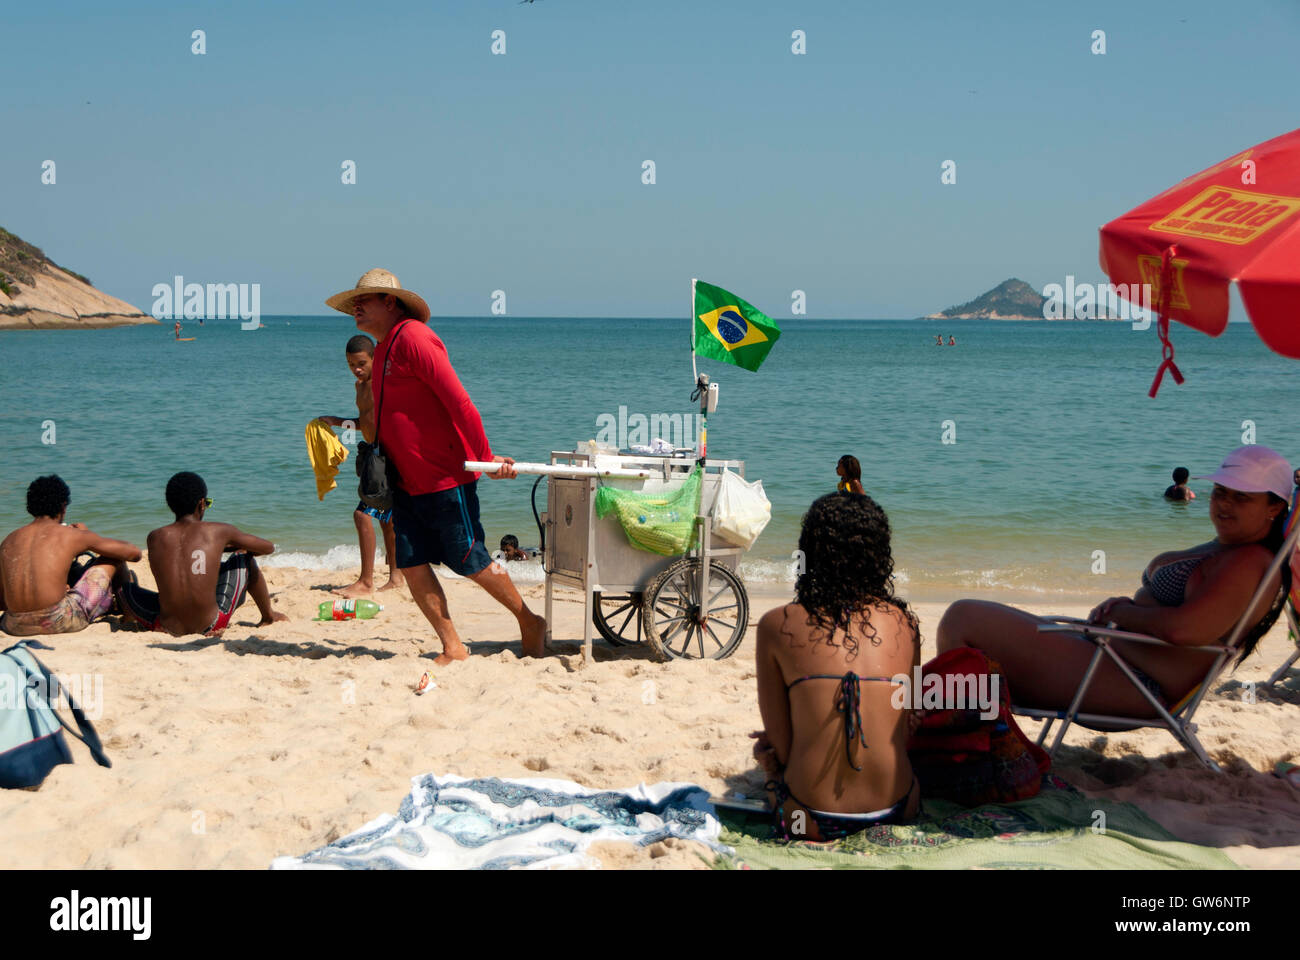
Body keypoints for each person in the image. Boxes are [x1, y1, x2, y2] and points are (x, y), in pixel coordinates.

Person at [937, 446, 1293, 717]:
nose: (1224, 504)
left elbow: (1186, 631)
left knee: (963, 619)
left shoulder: (1248, 561)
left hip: (1135, 683)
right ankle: (971, 739)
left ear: (1274, 508)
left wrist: (1121, 612)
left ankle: (963, 742)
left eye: (1241, 497)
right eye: (1220, 492)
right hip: (1110, 660)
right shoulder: (1232, 549)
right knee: (970, 635)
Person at [326, 269, 546, 662]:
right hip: (404, 480)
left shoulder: (413, 337)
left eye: (366, 300)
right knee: (410, 563)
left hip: (444, 477)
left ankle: (529, 621)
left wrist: (485, 457)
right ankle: (453, 645)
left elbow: (459, 401)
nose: (356, 307)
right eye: (354, 302)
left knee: (470, 560)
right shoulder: (383, 353)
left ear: (390, 303)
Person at [751, 493, 922, 842]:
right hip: (901, 809)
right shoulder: (905, 625)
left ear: (810, 553)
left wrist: (770, 763)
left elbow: (783, 749)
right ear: (879, 556)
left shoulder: (776, 626)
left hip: (807, 819)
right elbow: (903, 734)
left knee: (773, 767)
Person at [115, 472, 287, 636]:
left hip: (164, 626)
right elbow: (268, 548)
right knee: (243, 556)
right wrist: (227, 547)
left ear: (170, 505)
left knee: (126, 588)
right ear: (201, 504)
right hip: (211, 625)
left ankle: (128, 616)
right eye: (208, 503)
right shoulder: (218, 531)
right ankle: (268, 616)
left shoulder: (155, 537)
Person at [317, 334, 406, 597]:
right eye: (350, 364)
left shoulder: (383, 383)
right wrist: (336, 421)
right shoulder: (360, 386)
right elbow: (366, 422)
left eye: (362, 363)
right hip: (374, 454)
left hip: (388, 456)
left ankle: (366, 582)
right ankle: (397, 576)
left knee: (363, 514)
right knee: (387, 520)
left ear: (374, 359)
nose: (356, 369)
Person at [0, 475, 142, 636]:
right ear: (63, 507)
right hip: (57, 620)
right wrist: (86, 535)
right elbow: (134, 553)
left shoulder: (9, 540)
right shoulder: (71, 535)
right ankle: (130, 616)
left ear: (29, 507)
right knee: (113, 557)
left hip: (13, 624)